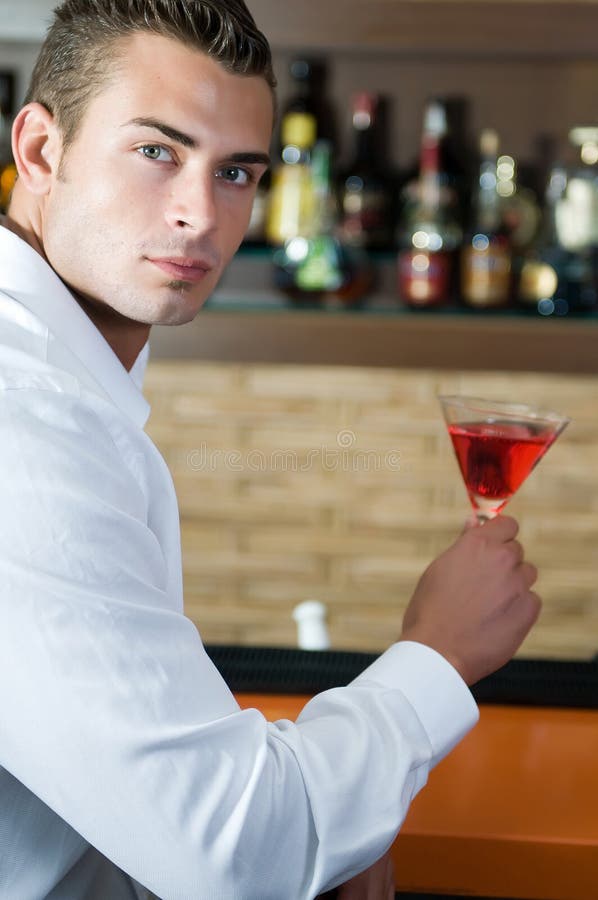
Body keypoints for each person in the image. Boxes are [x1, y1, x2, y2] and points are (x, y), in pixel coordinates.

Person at [0, 1, 540, 898]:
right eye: (157, 152)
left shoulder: (62, 378)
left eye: (237, 172)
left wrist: (324, 832)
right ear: (40, 149)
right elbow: (236, 853)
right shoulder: (26, 424)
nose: (198, 215)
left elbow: (127, 804)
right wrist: (438, 653)